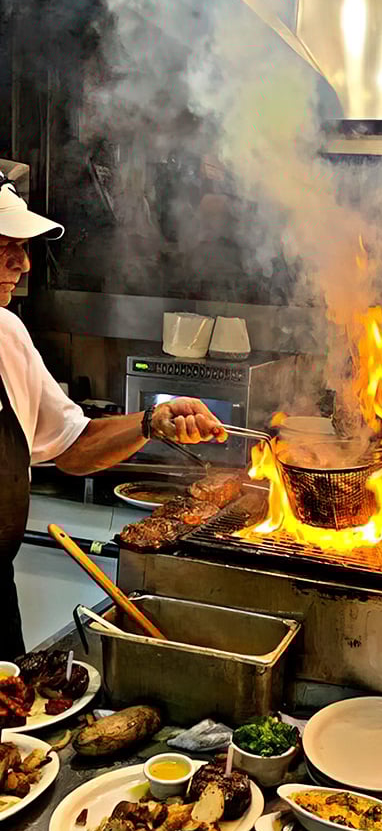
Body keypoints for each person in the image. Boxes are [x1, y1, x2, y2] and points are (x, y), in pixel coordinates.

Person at [0, 173, 227, 659]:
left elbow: (72, 447)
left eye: (22, 246)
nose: (22, 263)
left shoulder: (7, 335)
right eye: (4, 244)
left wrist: (152, 421)